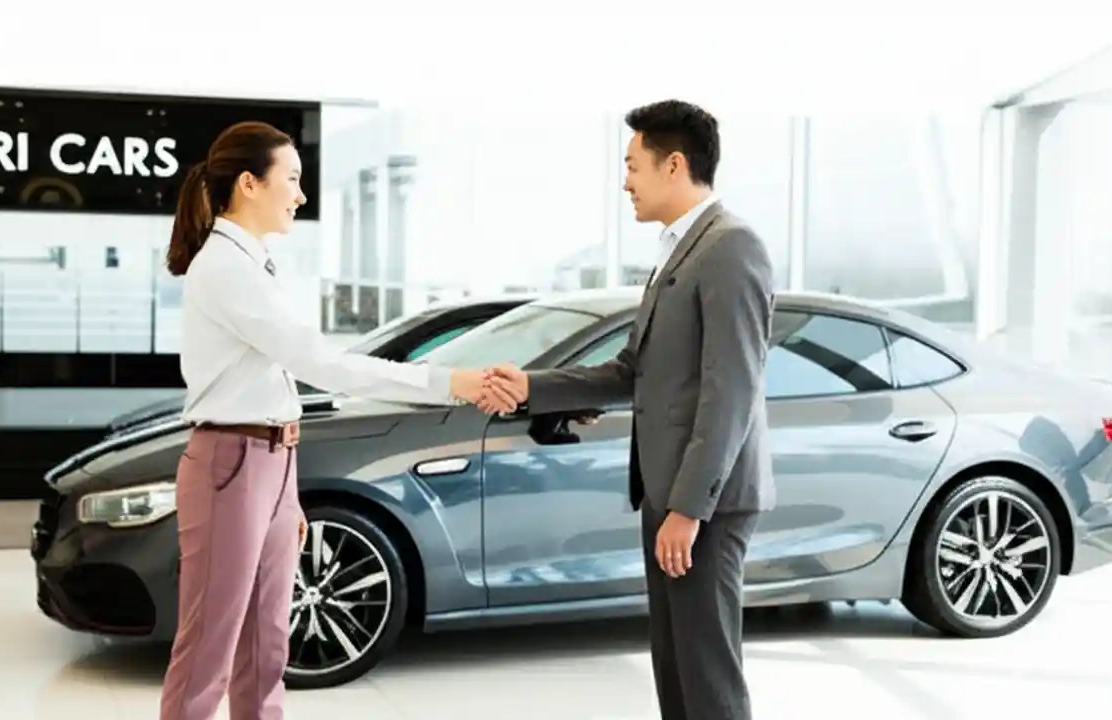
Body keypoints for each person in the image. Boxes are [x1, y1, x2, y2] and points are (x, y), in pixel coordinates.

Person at [158, 120, 504, 720]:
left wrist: (285, 491)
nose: (300, 194)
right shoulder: (226, 267)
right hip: (231, 466)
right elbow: (321, 365)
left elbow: (277, 383)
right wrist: (447, 383)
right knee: (210, 644)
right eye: (290, 179)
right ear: (248, 183)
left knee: (268, 642)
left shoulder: (255, 263)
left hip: (270, 460)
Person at [480, 100, 775, 720]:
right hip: (667, 493)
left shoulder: (731, 247)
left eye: (632, 165)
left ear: (674, 165)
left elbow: (733, 392)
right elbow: (631, 371)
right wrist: (529, 386)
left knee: (708, 676)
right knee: (675, 670)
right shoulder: (679, 251)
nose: (625, 182)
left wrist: (691, 509)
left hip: (704, 505)